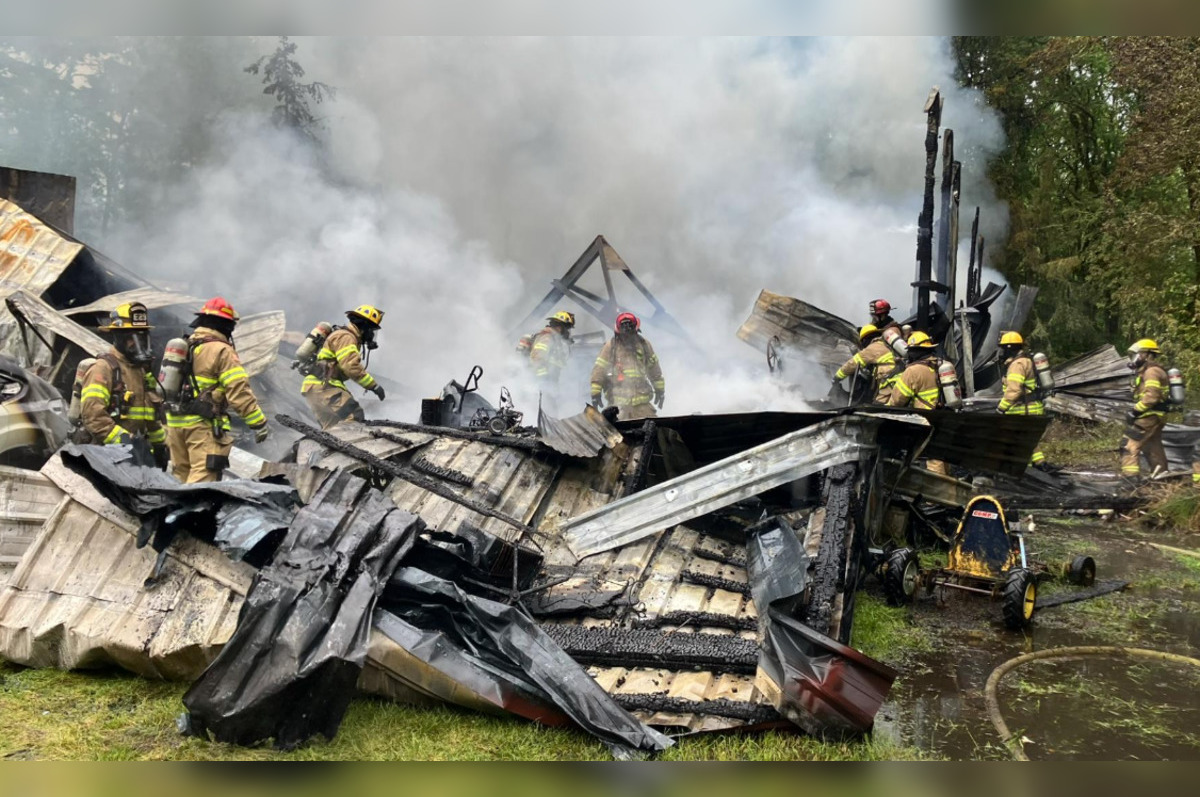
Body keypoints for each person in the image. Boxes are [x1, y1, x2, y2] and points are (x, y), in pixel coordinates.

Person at [165, 297, 269, 483]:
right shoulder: (222, 351)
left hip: (174, 423)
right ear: (225, 325)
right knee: (202, 480)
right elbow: (239, 392)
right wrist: (258, 423)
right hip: (202, 426)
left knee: (180, 476)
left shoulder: (186, 344)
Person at [79, 301, 168, 468]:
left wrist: (159, 446)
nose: (139, 343)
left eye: (142, 336)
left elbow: (151, 415)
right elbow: (94, 417)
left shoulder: (140, 370)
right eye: (132, 337)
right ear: (118, 337)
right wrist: (127, 443)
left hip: (133, 459)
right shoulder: (103, 369)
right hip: (106, 457)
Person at [301, 304, 386, 429]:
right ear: (365, 326)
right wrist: (373, 386)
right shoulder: (346, 337)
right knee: (354, 415)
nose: (372, 335)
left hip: (315, 388)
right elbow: (351, 367)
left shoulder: (344, 336)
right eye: (372, 330)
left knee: (332, 428)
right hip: (325, 387)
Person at [888, 330, 948, 474]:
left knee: (932, 457)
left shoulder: (913, 371)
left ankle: (936, 487)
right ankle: (950, 484)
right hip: (946, 417)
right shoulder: (942, 365)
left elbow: (897, 400)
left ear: (916, 351)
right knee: (944, 455)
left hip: (927, 420)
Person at [590, 312, 664, 421]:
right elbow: (599, 370)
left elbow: (654, 369)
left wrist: (660, 390)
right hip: (618, 405)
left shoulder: (644, 345)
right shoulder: (611, 346)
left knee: (652, 427)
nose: (627, 336)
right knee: (616, 430)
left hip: (642, 404)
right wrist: (595, 393)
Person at [996, 331, 1048, 470]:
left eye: (1003, 348)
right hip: (1032, 407)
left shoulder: (1017, 364)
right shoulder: (1026, 360)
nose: (1002, 352)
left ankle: (1027, 471)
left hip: (1023, 409)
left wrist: (1001, 408)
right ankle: (1039, 464)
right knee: (1027, 440)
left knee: (1018, 442)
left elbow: (1014, 390)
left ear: (1009, 348)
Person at [1119, 338, 1169, 481]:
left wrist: (1135, 411)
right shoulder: (1148, 371)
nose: (1134, 358)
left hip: (1149, 416)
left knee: (1128, 445)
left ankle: (1130, 481)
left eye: (1136, 354)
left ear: (1147, 355)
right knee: (1152, 447)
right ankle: (1161, 477)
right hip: (1154, 416)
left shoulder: (1151, 372)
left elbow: (1152, 397)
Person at [832, 324, 899, 404]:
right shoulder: (885, 345)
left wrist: (837, 377)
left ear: (865, 340)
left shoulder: (873, 348)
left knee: (879, 406)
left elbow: (852, 363)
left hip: (889, 382)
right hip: (896, 381)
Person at [528, 310, 575, 412]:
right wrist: (543, 378)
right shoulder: (547, 337)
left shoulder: (555, 340)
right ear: (559, 327)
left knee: (550, 407)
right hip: (543, 382)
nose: (567, 332)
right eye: (567, 328)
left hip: (549, 382)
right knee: (547, 408)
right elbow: (536, 357)